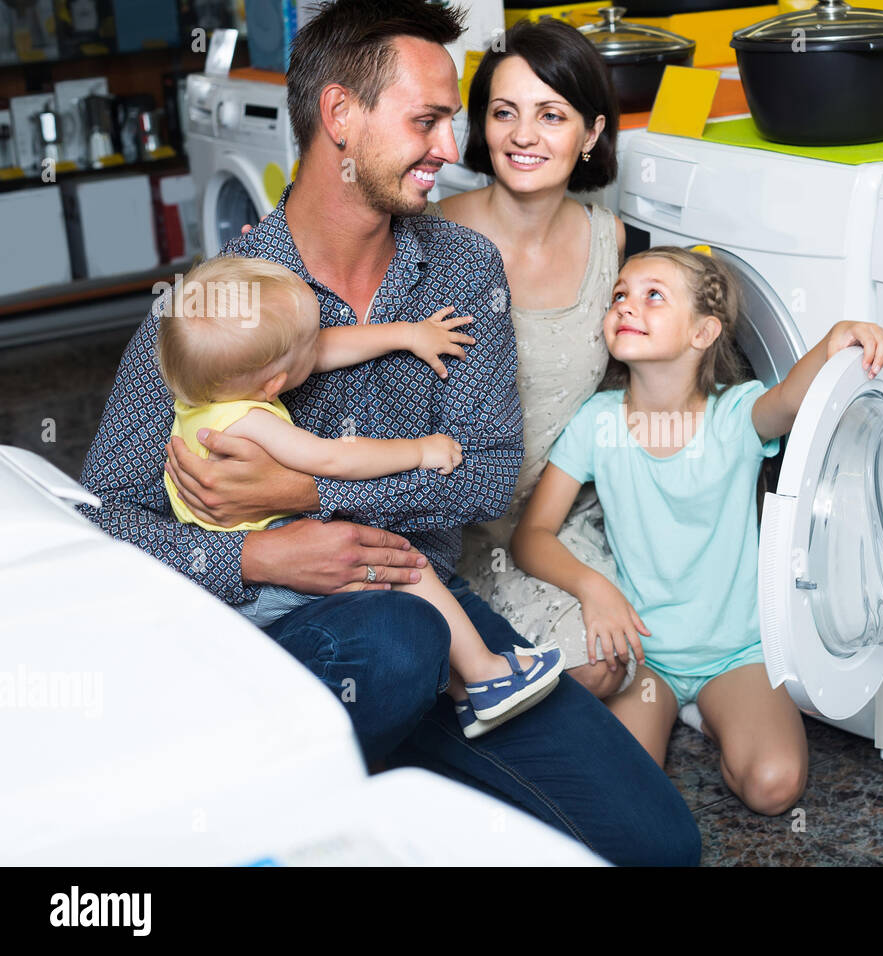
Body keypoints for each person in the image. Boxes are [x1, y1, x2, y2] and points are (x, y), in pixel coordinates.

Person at [78, 0, 699, 866]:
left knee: (658, 844)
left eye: (451, 119)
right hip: (277, 637)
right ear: (340, 117)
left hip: (443, 625)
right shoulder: (218, 304)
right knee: (397, 642)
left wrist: (312, 491)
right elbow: (106, 514)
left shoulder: (460, 268)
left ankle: (386, 774)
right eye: (428, 120)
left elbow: (486, 473)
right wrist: (261, 557)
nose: (452, 149)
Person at [512, 246, 883, 816]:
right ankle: (683, 713)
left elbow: (793, 398)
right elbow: (531, 535)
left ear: (703, 332)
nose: (626, 306)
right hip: (645, 658)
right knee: (616, 796)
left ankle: (718, 716)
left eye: (653, 296)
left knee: (773, 787)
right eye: (619, 294)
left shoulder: (734, 417)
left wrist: (837, 336)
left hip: (736, 655)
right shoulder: (597, 424)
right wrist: (594, 588)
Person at [156, 255, 564, 734]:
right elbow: (335, 461)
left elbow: (320, 349)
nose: (322, 344)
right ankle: (489, 676)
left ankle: (460, 692)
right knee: (404, 566)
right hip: (270, 579)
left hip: (225, 586)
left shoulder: (200, 394)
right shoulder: (254, 422)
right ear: (274, 384)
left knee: (393, 600)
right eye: (306, 347)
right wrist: (418, 450)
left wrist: (407, 334)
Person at [428, 17, 631, 699]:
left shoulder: (612, 242)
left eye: (552, 115)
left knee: (603, 664)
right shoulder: (431, 233)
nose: (523, 135)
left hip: (555, 522)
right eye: (504, 112)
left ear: (592, 133)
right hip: (441, 526)